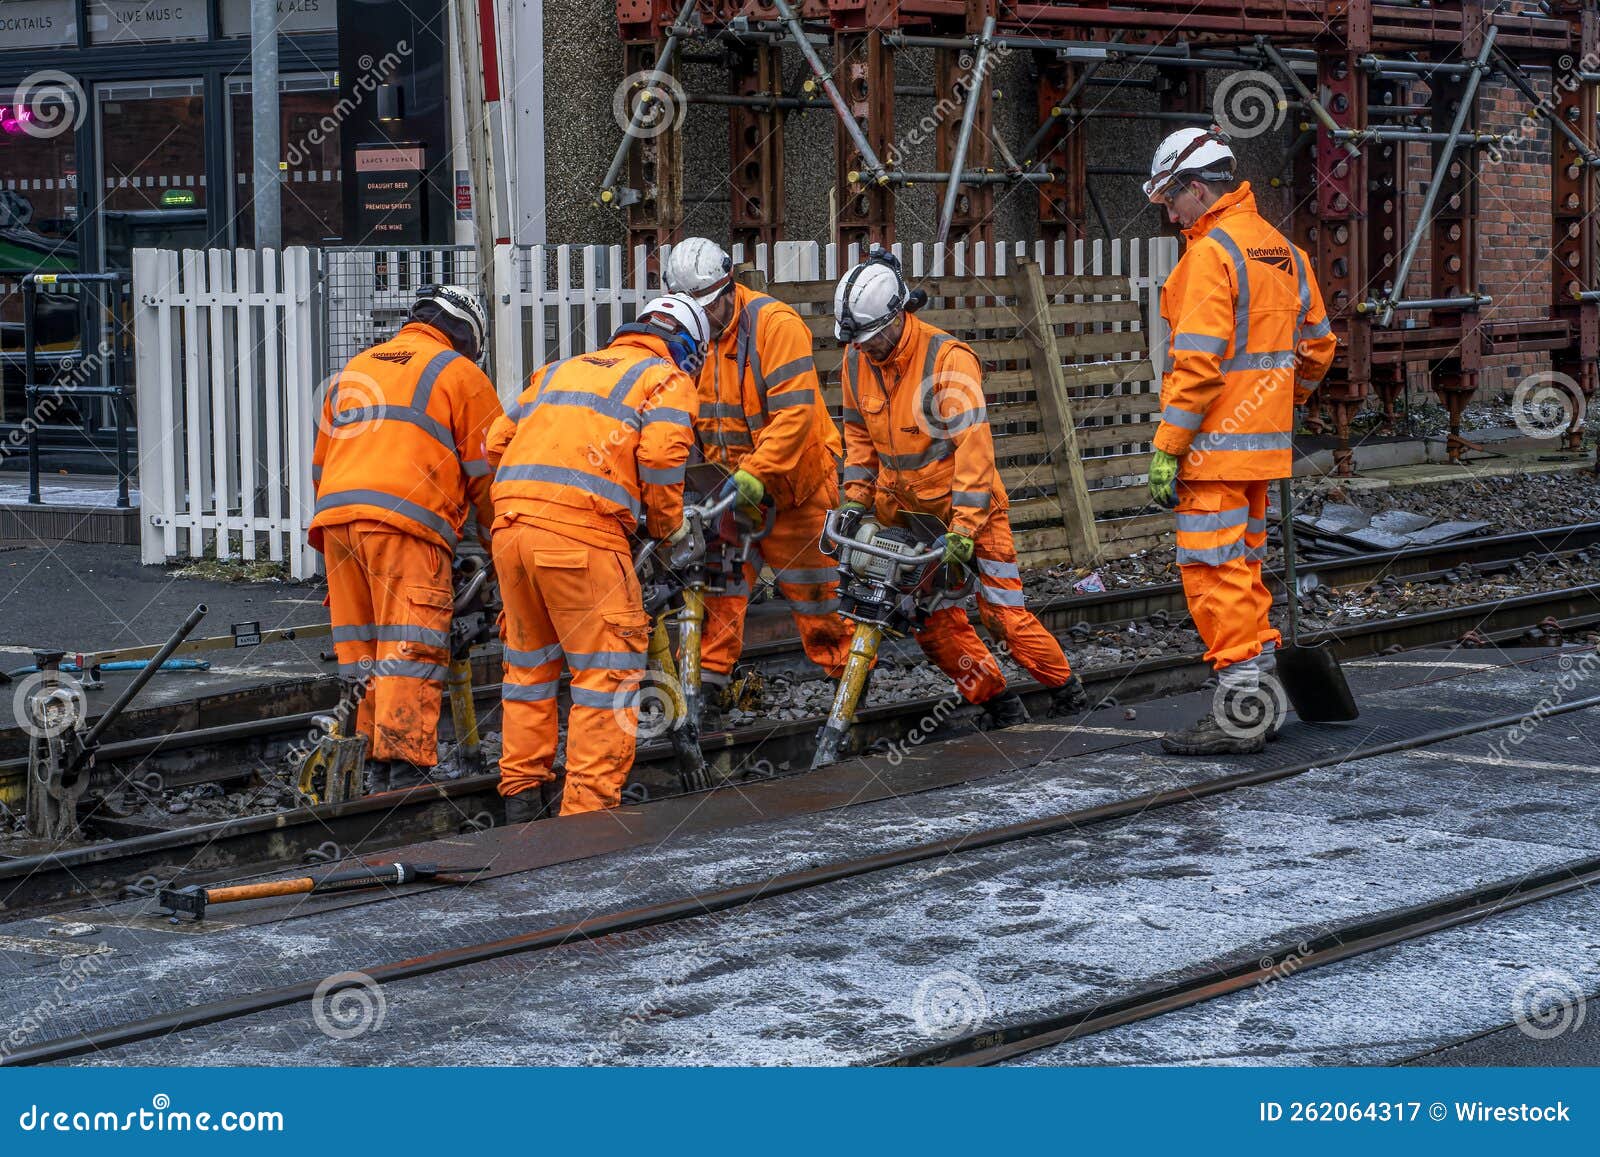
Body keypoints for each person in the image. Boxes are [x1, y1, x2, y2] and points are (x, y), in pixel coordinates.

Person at [1141, 126, 1337, 755]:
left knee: (1211, 572)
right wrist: (1286, 401)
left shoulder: (1208, 256)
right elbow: (1317, 348)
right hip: (1262, 448)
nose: (1170, 213)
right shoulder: (1282, 250)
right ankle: (1259, 701)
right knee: (1243, 569)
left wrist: (1168, 446)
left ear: (1198, 188)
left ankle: (1240, 713)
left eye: (1172, 200)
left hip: (1212, 452)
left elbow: (1196, 365)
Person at [833, 248, 1089, 728]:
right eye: (858, 341)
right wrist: (854, 500)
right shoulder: (856, 359)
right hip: (908, 516)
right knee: (933, 623)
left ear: (896, 316)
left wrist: (965, 528)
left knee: (1004, 615)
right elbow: (859, 440)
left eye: (871, 339)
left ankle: (1067, 691)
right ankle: (997, 703)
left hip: (969, 513)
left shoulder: (947, 361)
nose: (865, 348)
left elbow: (974, 450)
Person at [485, 294, 704, 821]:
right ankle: (586, 820)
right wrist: (667, 525)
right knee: (606, 677)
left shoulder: (560, 370)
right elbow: (658, 456)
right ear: (689, 349)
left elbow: (496, 441)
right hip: (581, 537)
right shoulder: (667, 379)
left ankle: (521, 799)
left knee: (528, 668)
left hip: (511, 529)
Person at [310, 285, 504, 789]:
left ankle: (371, 760)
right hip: (405, 524)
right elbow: (489, 476)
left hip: (338, 523)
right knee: (409, 643)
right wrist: (498, 546)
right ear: (465, 334)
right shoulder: (461, 374)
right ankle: (403, 769)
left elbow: (321, 463)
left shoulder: (357, 368)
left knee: (363, 650)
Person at [661, 237, 855, 719]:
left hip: (795, 491)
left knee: (818, 600)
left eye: (708, 309)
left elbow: (794, 416)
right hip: (730, 494)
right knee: (719, 594)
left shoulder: (775, 325)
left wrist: (754, 475)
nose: (704, 321)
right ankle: (703, 691)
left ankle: (848, 688)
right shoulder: (691, 339)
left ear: (729, 289)